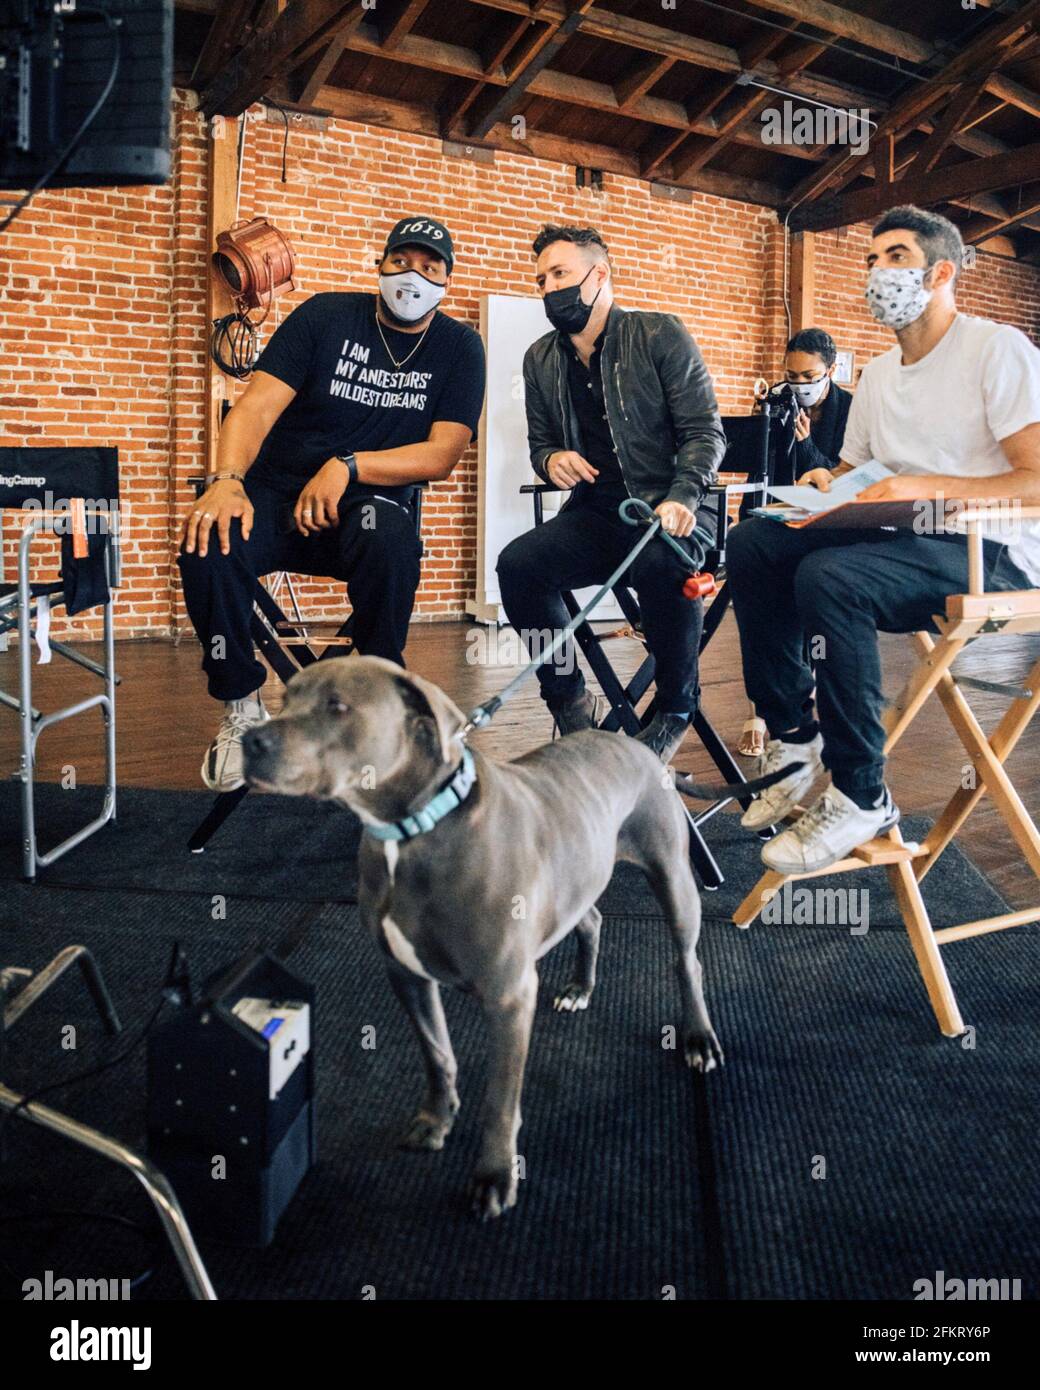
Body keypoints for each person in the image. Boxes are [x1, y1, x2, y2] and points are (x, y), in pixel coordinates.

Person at [727, 203, 1040, 873]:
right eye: (871, 259)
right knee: (754, 541)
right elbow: (855, 472)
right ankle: (791, 740)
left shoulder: (996, 348)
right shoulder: (877, 373)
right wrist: (820, 491)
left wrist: (922, 487)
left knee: (830, 579)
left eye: (894, 257)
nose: (877, 272)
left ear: (941, 272)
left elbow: (1035, 483)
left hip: (991, 553)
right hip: (899, 539)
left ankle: (862, 793)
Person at [179, 216, 486, 791]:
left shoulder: (460, 348)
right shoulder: (324, 316)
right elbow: (254, 409)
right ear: (382, 264)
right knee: (209, 535)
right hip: (276, 495)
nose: (413, 276)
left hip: (367, 509)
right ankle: (242, 703)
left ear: (446, 280)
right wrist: (225, 479)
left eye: (430, 267)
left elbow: (443, 454)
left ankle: (379, 698)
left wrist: (348, 467)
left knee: (389, 538)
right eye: (402, 261)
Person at [496, 224, 726, 764]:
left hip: (677, 510)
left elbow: (705, 432)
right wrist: (552, 461)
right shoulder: (540, 358)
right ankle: (571, 704)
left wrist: (682, 496)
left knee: (659, 562)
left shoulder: (659, 334)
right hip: (597, 514)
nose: (548, 289)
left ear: (599, 276)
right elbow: (541, 444)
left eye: (560, 274)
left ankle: (674, 710)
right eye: (540, 279)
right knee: (518, 565)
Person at [739, 327, 852, 758]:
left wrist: (805, 444)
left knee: (809, 612)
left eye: (809, 375)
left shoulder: (851, 411)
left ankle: (804, 714)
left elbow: (839, 480)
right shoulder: (779, 402)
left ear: (831, 370)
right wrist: (760, 427)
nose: (800, 384)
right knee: (761, 610)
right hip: (774, 519)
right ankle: (764, 712)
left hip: (827, 526)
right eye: (792, 375)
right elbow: (757, 469)